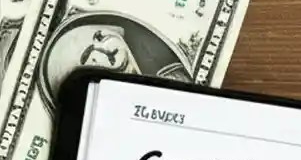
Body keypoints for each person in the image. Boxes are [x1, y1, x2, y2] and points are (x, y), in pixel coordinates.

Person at [37, 20, 190, 112]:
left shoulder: (176, 75)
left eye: (99, 36)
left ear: (117, 30)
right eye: (89, 57)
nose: (104, 47)